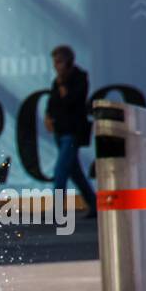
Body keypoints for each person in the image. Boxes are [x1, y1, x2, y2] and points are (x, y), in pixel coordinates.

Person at [45, 44, 97, 217]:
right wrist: (48, 116)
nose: (56, 66)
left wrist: (63, 87)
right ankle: (94, 203)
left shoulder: (79, 78)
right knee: (75, 173)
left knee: (60, 171)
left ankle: (57, 209)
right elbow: (52, 104)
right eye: (55, 62)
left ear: (68, 62)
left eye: (59, 62)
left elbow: (72, 101)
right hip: (60, 132)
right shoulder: (56, 82)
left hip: (72, 132)